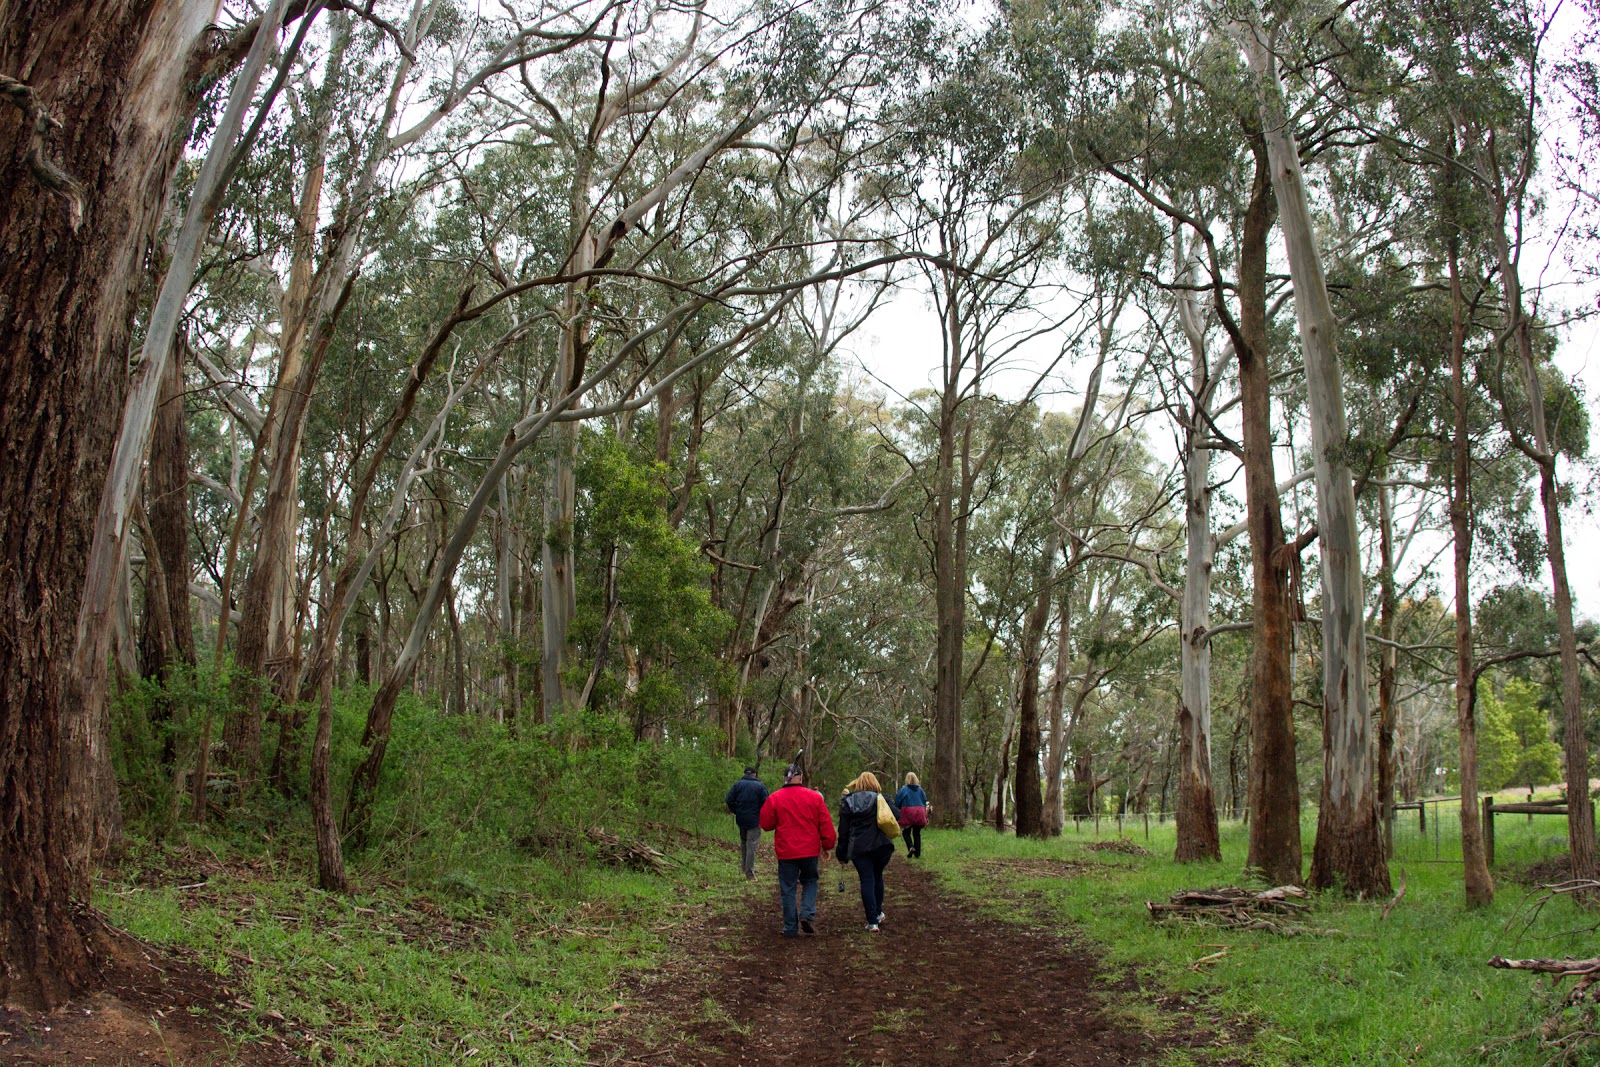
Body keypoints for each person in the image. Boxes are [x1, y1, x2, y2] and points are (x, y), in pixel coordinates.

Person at [758, 761, 836, 937]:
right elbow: (825, 823)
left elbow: (766, 824)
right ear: (800, 777)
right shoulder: (815, 797)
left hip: (787, 852)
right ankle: (807, 913)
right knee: (810, 881)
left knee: (788, 888)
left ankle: (790, 927)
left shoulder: (775, 798)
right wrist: (828, 845)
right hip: (809, 850)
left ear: (785, 778)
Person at [835, 772, 897, 932]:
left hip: (859, 848)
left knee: (867, 880)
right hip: (882, 846)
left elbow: (843, 831)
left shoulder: (848, 802)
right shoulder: (881, 799)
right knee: (877, 877)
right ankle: (877, 913)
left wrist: (841, 854)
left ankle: (872, 921)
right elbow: (897, 815)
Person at [725, 766, 770, 879]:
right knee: (752, 845)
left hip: (741, 819)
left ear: (744, 773)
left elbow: (729, 800)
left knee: (744, 842)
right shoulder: (760, 786)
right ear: (754, 775)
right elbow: (767, 802)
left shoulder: (737, 785)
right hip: (754, 820)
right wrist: (761, 813)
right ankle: (749, 873)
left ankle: (744, 868)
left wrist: (736, 811)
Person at [894, 772, 930, 859]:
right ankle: (917, 854)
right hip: (920, 812)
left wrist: (900, 808)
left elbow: (897, 802)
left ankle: (911, 847)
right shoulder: (920, 790)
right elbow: (924, 800)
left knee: (906, 832)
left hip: (908, 812)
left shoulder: (904, 790)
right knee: (917, 833)